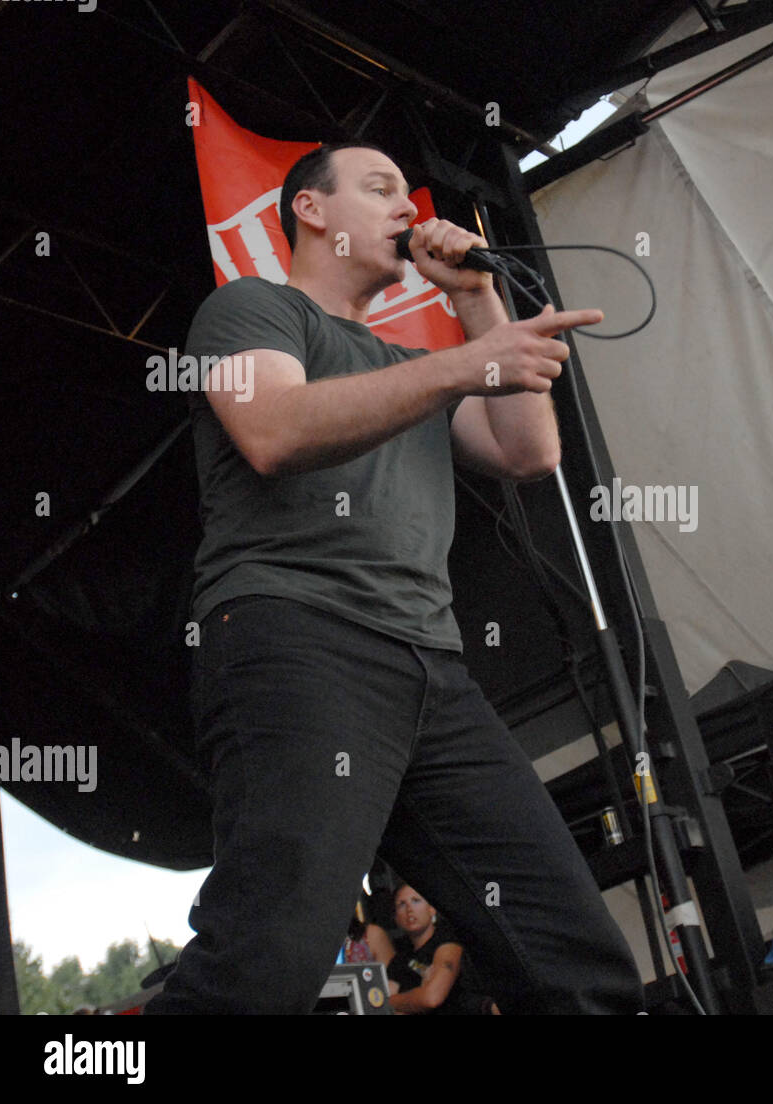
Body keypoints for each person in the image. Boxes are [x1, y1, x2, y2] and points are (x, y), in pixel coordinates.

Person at [146, 142, 642, 1014]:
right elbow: (274, 428)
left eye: (407, 193)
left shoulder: (399, 365)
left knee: (570, 949)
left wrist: (478, 300)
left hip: (434, 670)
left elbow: (529, 452)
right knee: (268, 957)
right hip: (300, 642)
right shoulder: (249, 309)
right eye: (379, 190)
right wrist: (460, 362)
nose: (406, 208)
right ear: (310, 209)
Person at [385, 883, 496, 1015]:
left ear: (431, 909)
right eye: (401, 904)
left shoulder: (448, 941)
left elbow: (431, 998)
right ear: (396, 917)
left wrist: (389, 1002)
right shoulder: (400, 957)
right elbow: (384, 998)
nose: (409, 909)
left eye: (416, 901)